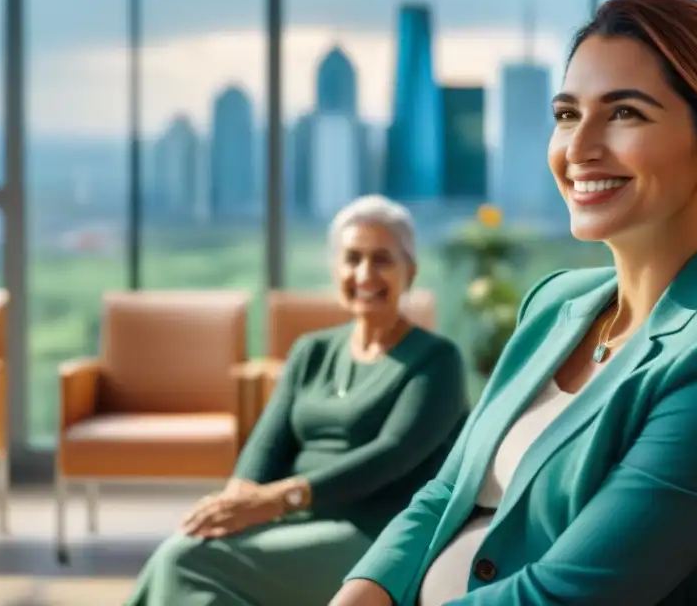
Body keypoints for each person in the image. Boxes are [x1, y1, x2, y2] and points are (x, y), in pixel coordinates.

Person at [330, 0, 697, 606]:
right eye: (567, 114)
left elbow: (569, 596)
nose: (579, 148)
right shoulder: (556, 305)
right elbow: (446, 493)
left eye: (625, 113)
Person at [125, 195, 469, 606]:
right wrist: (235, 502)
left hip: (376, 535)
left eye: (382, 259)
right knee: (186, 546)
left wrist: (276, 500)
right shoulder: (312, 351)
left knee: (186, 563)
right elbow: (268, 442)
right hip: (295, 519)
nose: (365, 273)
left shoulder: (437, 361)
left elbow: (390, 455)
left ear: (409, 271)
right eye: (352, 258)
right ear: (336, 268)